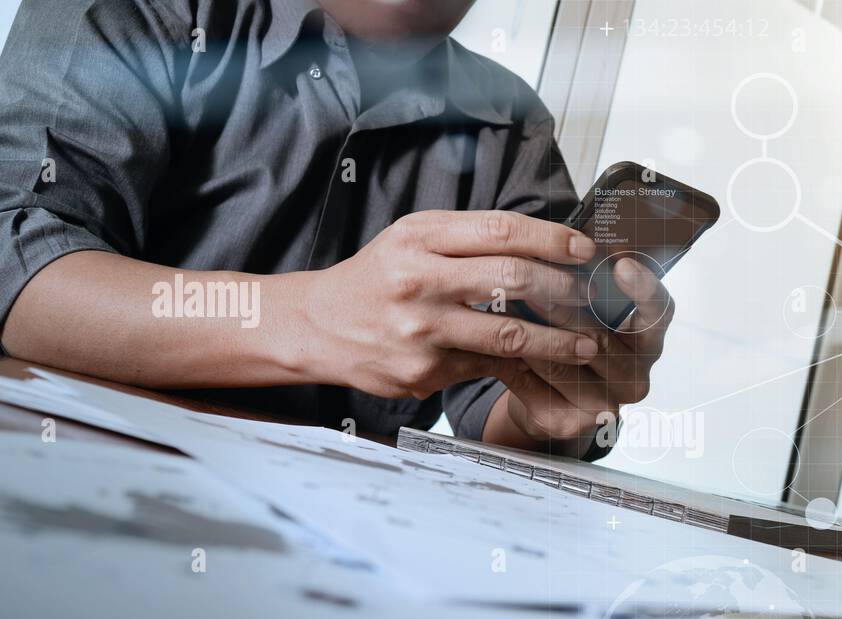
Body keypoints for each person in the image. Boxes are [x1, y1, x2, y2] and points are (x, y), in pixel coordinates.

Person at [0, 0, 674, 458]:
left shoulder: (513, 123)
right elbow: (15, 257)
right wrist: (311, 320)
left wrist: (558, 404)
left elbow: (496, 406)